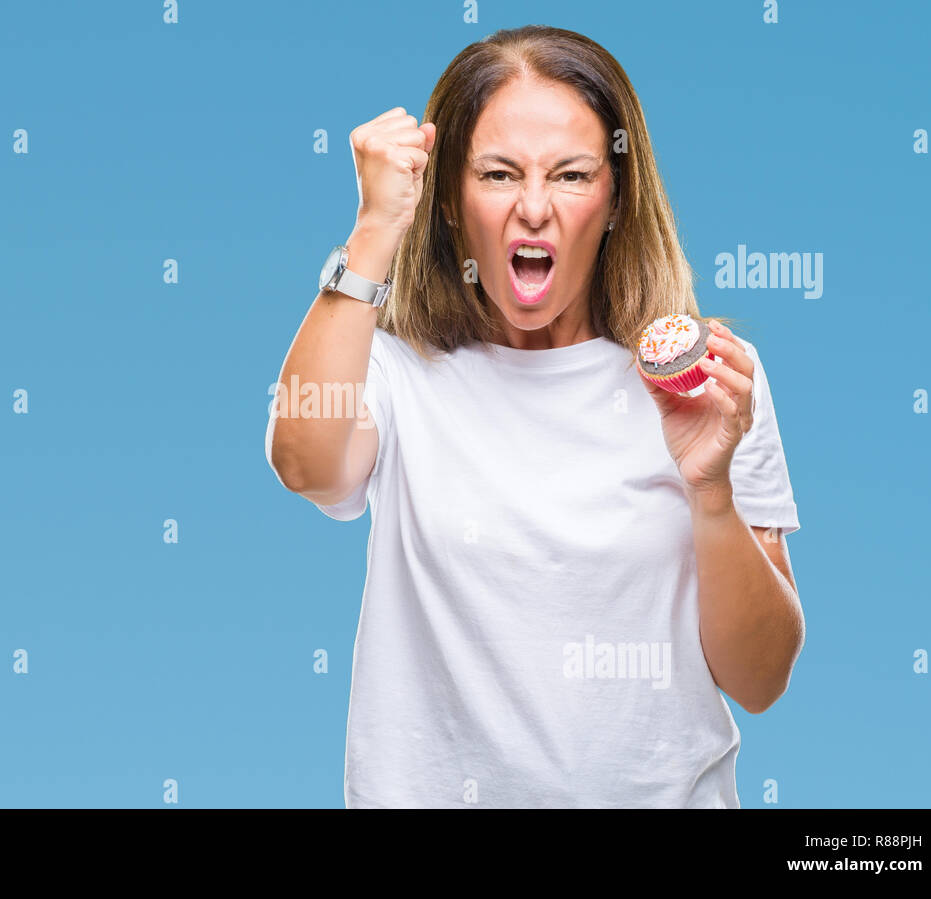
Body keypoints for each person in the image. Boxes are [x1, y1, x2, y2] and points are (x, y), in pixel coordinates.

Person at [264, 24, 803, 808]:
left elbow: (761, 678)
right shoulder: (394, 372)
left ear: (617, 198)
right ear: (448, 200)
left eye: (573, 175)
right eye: (498, 173)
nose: (535, 208)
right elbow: (304, 465)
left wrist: (711, 492)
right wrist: (376, 227)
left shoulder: (712, 385)